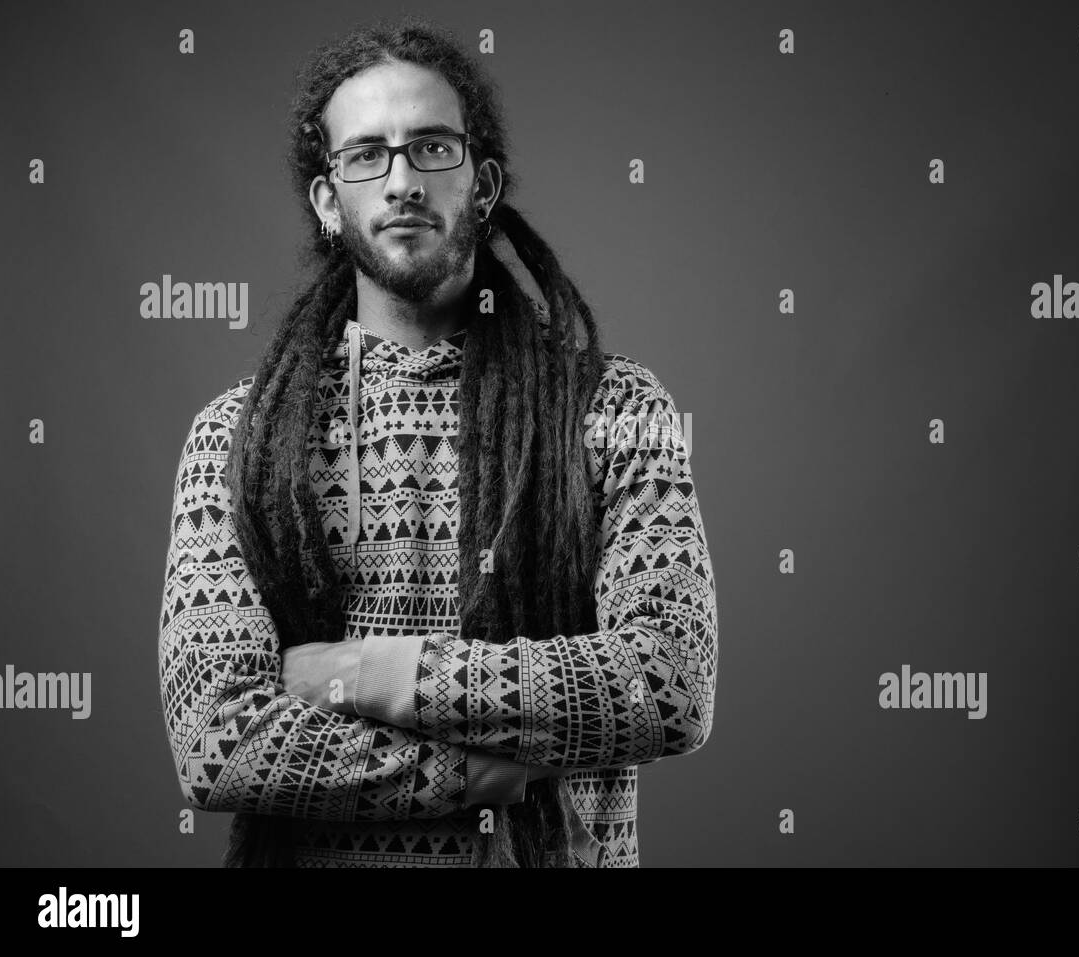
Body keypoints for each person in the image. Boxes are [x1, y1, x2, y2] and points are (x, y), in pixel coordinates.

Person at [156, 15, 718, 868]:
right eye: (365, 155)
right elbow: (216, 737)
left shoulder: (615, 407)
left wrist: (369, 672)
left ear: (482, 184)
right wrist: (472, 775)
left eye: (430, 148)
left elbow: (671, 683)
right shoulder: (236, 437)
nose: (400, 180)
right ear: (326, 200)